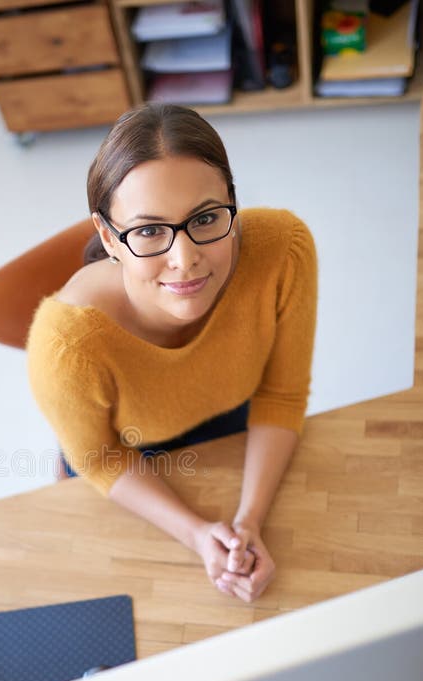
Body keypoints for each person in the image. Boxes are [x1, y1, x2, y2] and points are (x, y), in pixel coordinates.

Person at [26, 103, 317, 603]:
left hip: (231, 414)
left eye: (205, 218)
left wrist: (247, 522)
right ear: (107, 237)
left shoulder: (284, 251)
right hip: (124, 451)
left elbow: (282, 394)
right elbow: (100, 458)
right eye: (148, 230)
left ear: (232, 201)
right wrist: (197, 534)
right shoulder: (65, 345)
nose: (185, 261)